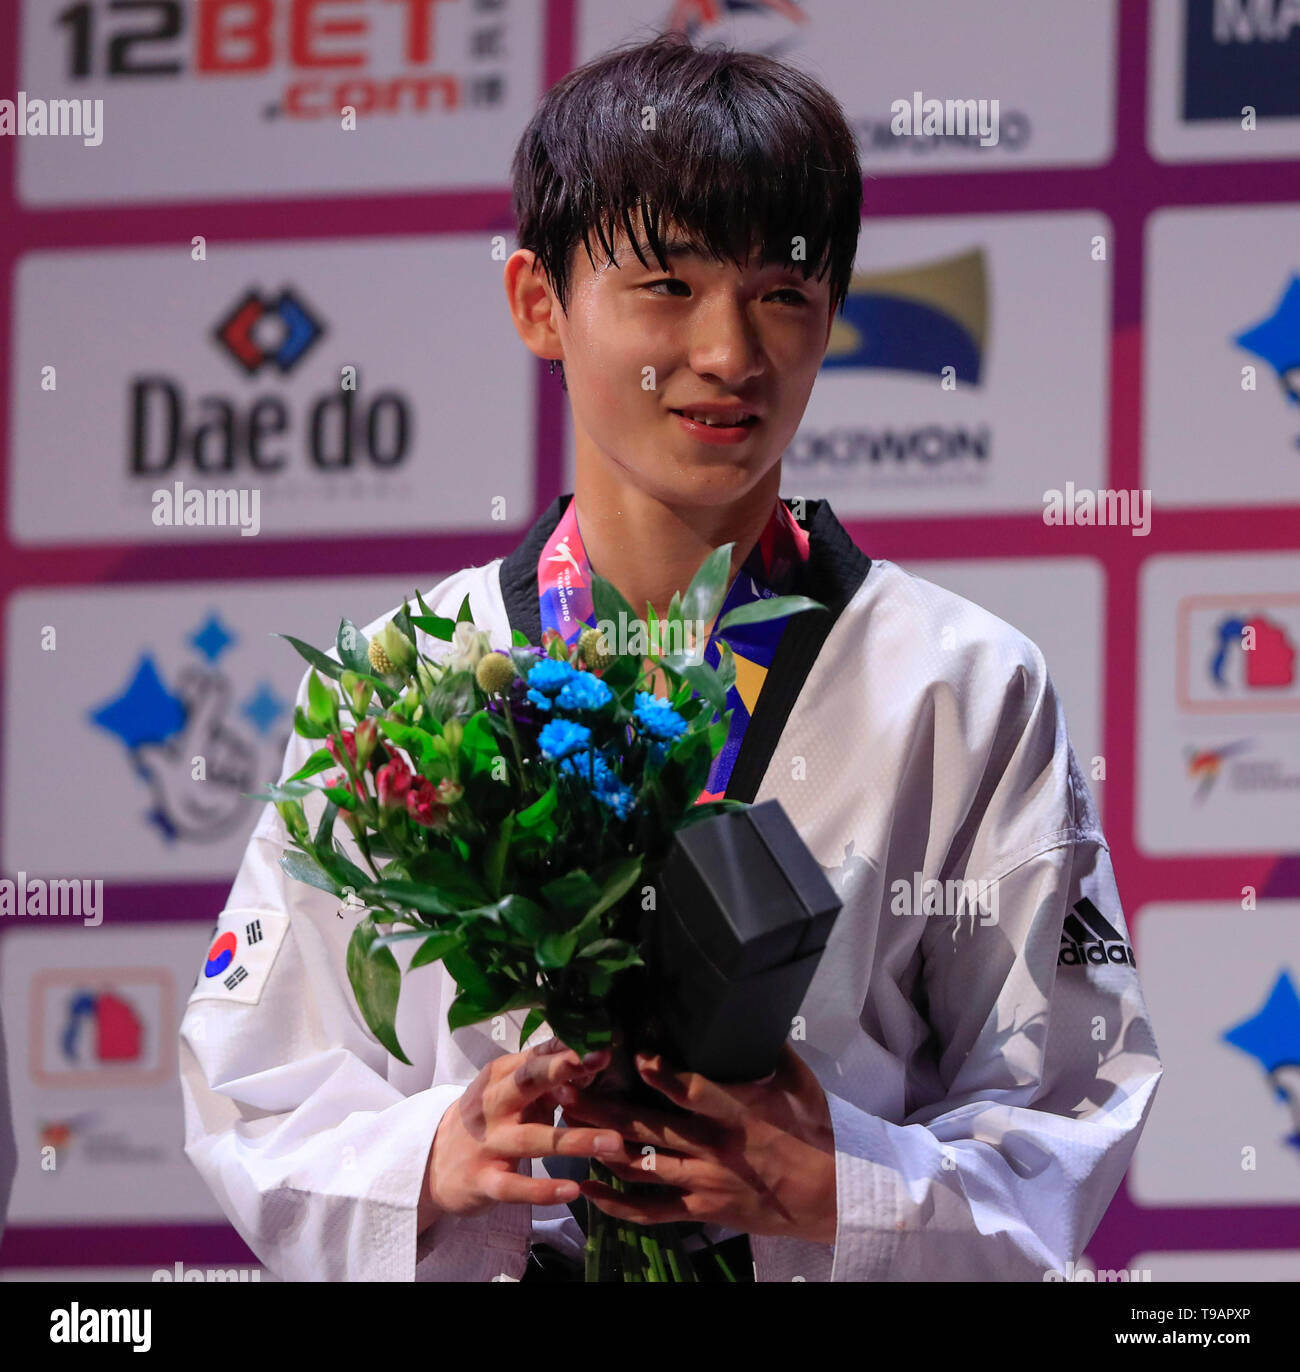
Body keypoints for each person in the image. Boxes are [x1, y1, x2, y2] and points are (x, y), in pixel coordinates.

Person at [179, 32, 1162, 1283]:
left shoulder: (962, 686)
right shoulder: (394, 689)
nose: (730, 354)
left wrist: (844, 1183)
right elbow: (252, 1085)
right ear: (540, 302)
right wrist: (439, 1151)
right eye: (665, 285)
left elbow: (1066, 1103)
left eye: (783, 294)